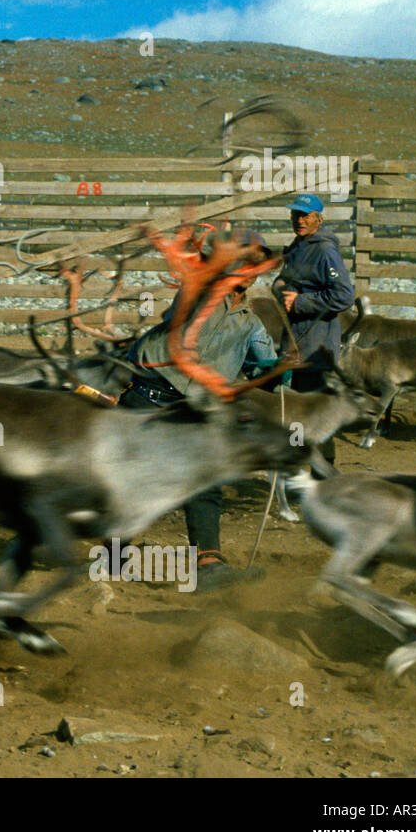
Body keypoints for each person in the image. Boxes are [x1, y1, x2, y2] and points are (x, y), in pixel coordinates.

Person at [121, 230, 278, 592]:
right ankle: (114, 554)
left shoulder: (251, 323)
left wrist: (281, 369)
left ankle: (208, 563)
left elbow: (263, 369)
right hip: (149, 396)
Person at [272, 193, 355, 467]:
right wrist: (281, 287)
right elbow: (289, 280)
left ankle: (324, 473)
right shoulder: (298, 246)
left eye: (306, 215)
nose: (300, 220)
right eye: (296, 214)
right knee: (296, 410)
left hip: (316, 347)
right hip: (296, 342)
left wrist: (301, 302)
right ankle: (298, 466)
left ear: (319, 219)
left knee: (315, 413)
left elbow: (344, 296)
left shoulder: (324, 251)